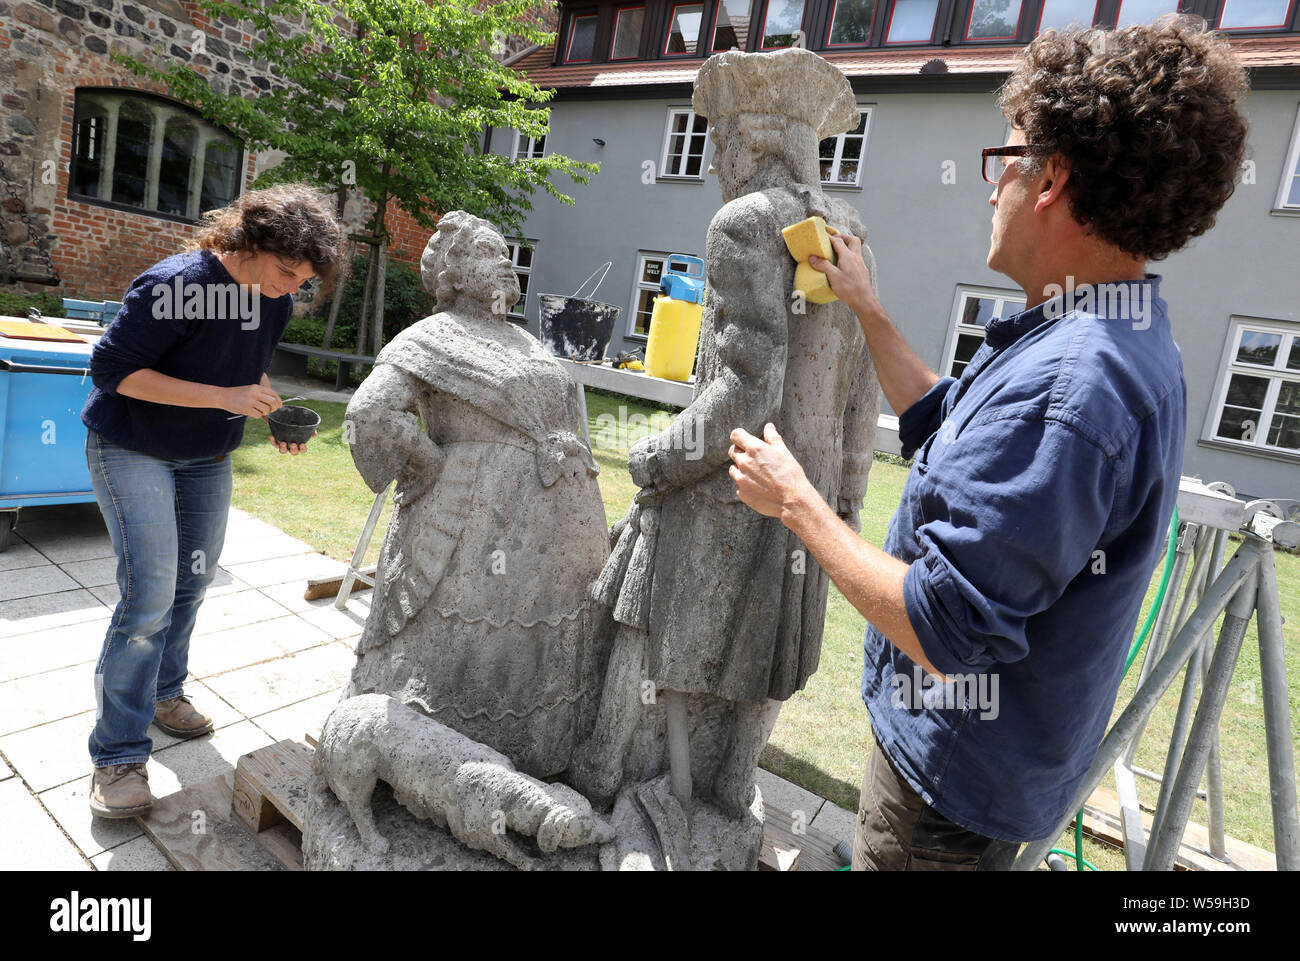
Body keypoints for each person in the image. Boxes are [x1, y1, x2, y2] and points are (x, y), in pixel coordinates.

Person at [727, 16, 1248, 869]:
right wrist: (867, 306)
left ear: (1051, 179)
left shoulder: (1076, 384)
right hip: (982, 767)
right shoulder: (1098, 324)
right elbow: (948, 423)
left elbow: (941, 623)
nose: (988, 188)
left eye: (1000, 162)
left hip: (950, 795)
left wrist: (796, 502)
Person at [569, 47, 882, 818]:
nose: (714, 159)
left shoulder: (745, 222)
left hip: (732, 486)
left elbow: (744, 391)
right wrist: (842, 500)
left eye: (721, 138)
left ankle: (602, 791)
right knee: (761, 667)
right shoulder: (851, 231)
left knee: (644, 629)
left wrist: (656, 459)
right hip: (803, 498)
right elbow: (862, 387)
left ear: (759, 139)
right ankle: (725, 798)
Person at [82, 183, 344, 818]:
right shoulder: (173, 284)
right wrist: (225, 399)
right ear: (249, 242)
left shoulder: (273, 300)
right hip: (133, 445)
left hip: (207, 455)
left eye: (304, 280)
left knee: (192, 585)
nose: (291, 289)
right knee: (148, 595)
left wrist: (261, 397)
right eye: (286, 272)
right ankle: (117, 756)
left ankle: (165, 693)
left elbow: (239, 364)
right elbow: (113, 372)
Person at [340, 211, 610, 780]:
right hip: (477, 525)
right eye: (489, 252)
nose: (506, 261)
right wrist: (430, 463)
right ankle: (442, 769)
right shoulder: (431, 338)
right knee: (467, 652)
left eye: (506, 251)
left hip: (554, 535)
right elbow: (370, 413)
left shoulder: (524, 340)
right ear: (454, 272)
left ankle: (531, 762)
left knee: (536, 651)